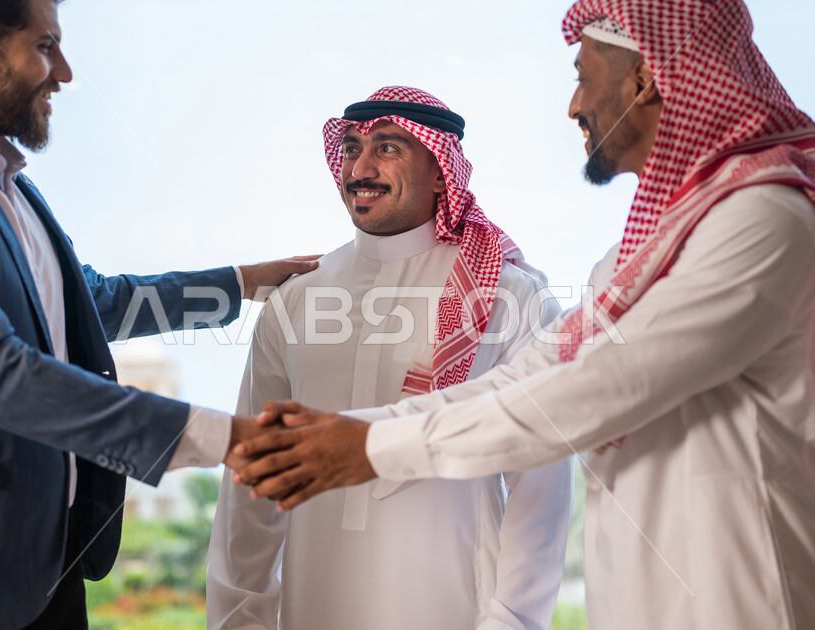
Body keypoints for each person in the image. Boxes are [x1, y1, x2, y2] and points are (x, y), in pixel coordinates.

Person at [230, 1, 815, 628]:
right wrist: (344, 441)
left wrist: (369, 448)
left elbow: (591, 393)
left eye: (583, 76)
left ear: (647, 76)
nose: (574, 104)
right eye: (353, 147)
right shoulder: (627, 264)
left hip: (758, 602)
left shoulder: (763, 222)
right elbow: (530, 381)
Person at [0, 1, 312, 628]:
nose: (64, 71)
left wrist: (244, 283)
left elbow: (89, 306)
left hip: (40, 571)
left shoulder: (9, 186)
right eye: (46, 46)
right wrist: (229, 438)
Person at [206, 86, 571, 630]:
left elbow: (540, 485)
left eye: (389, 148)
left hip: (458, 610)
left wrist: (512, 621)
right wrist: (239, 620)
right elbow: (253, 484)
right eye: (351, 147)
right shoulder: (296, 297)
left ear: (441, 167)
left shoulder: (511, 297)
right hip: (314, 607)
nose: (361, 167)